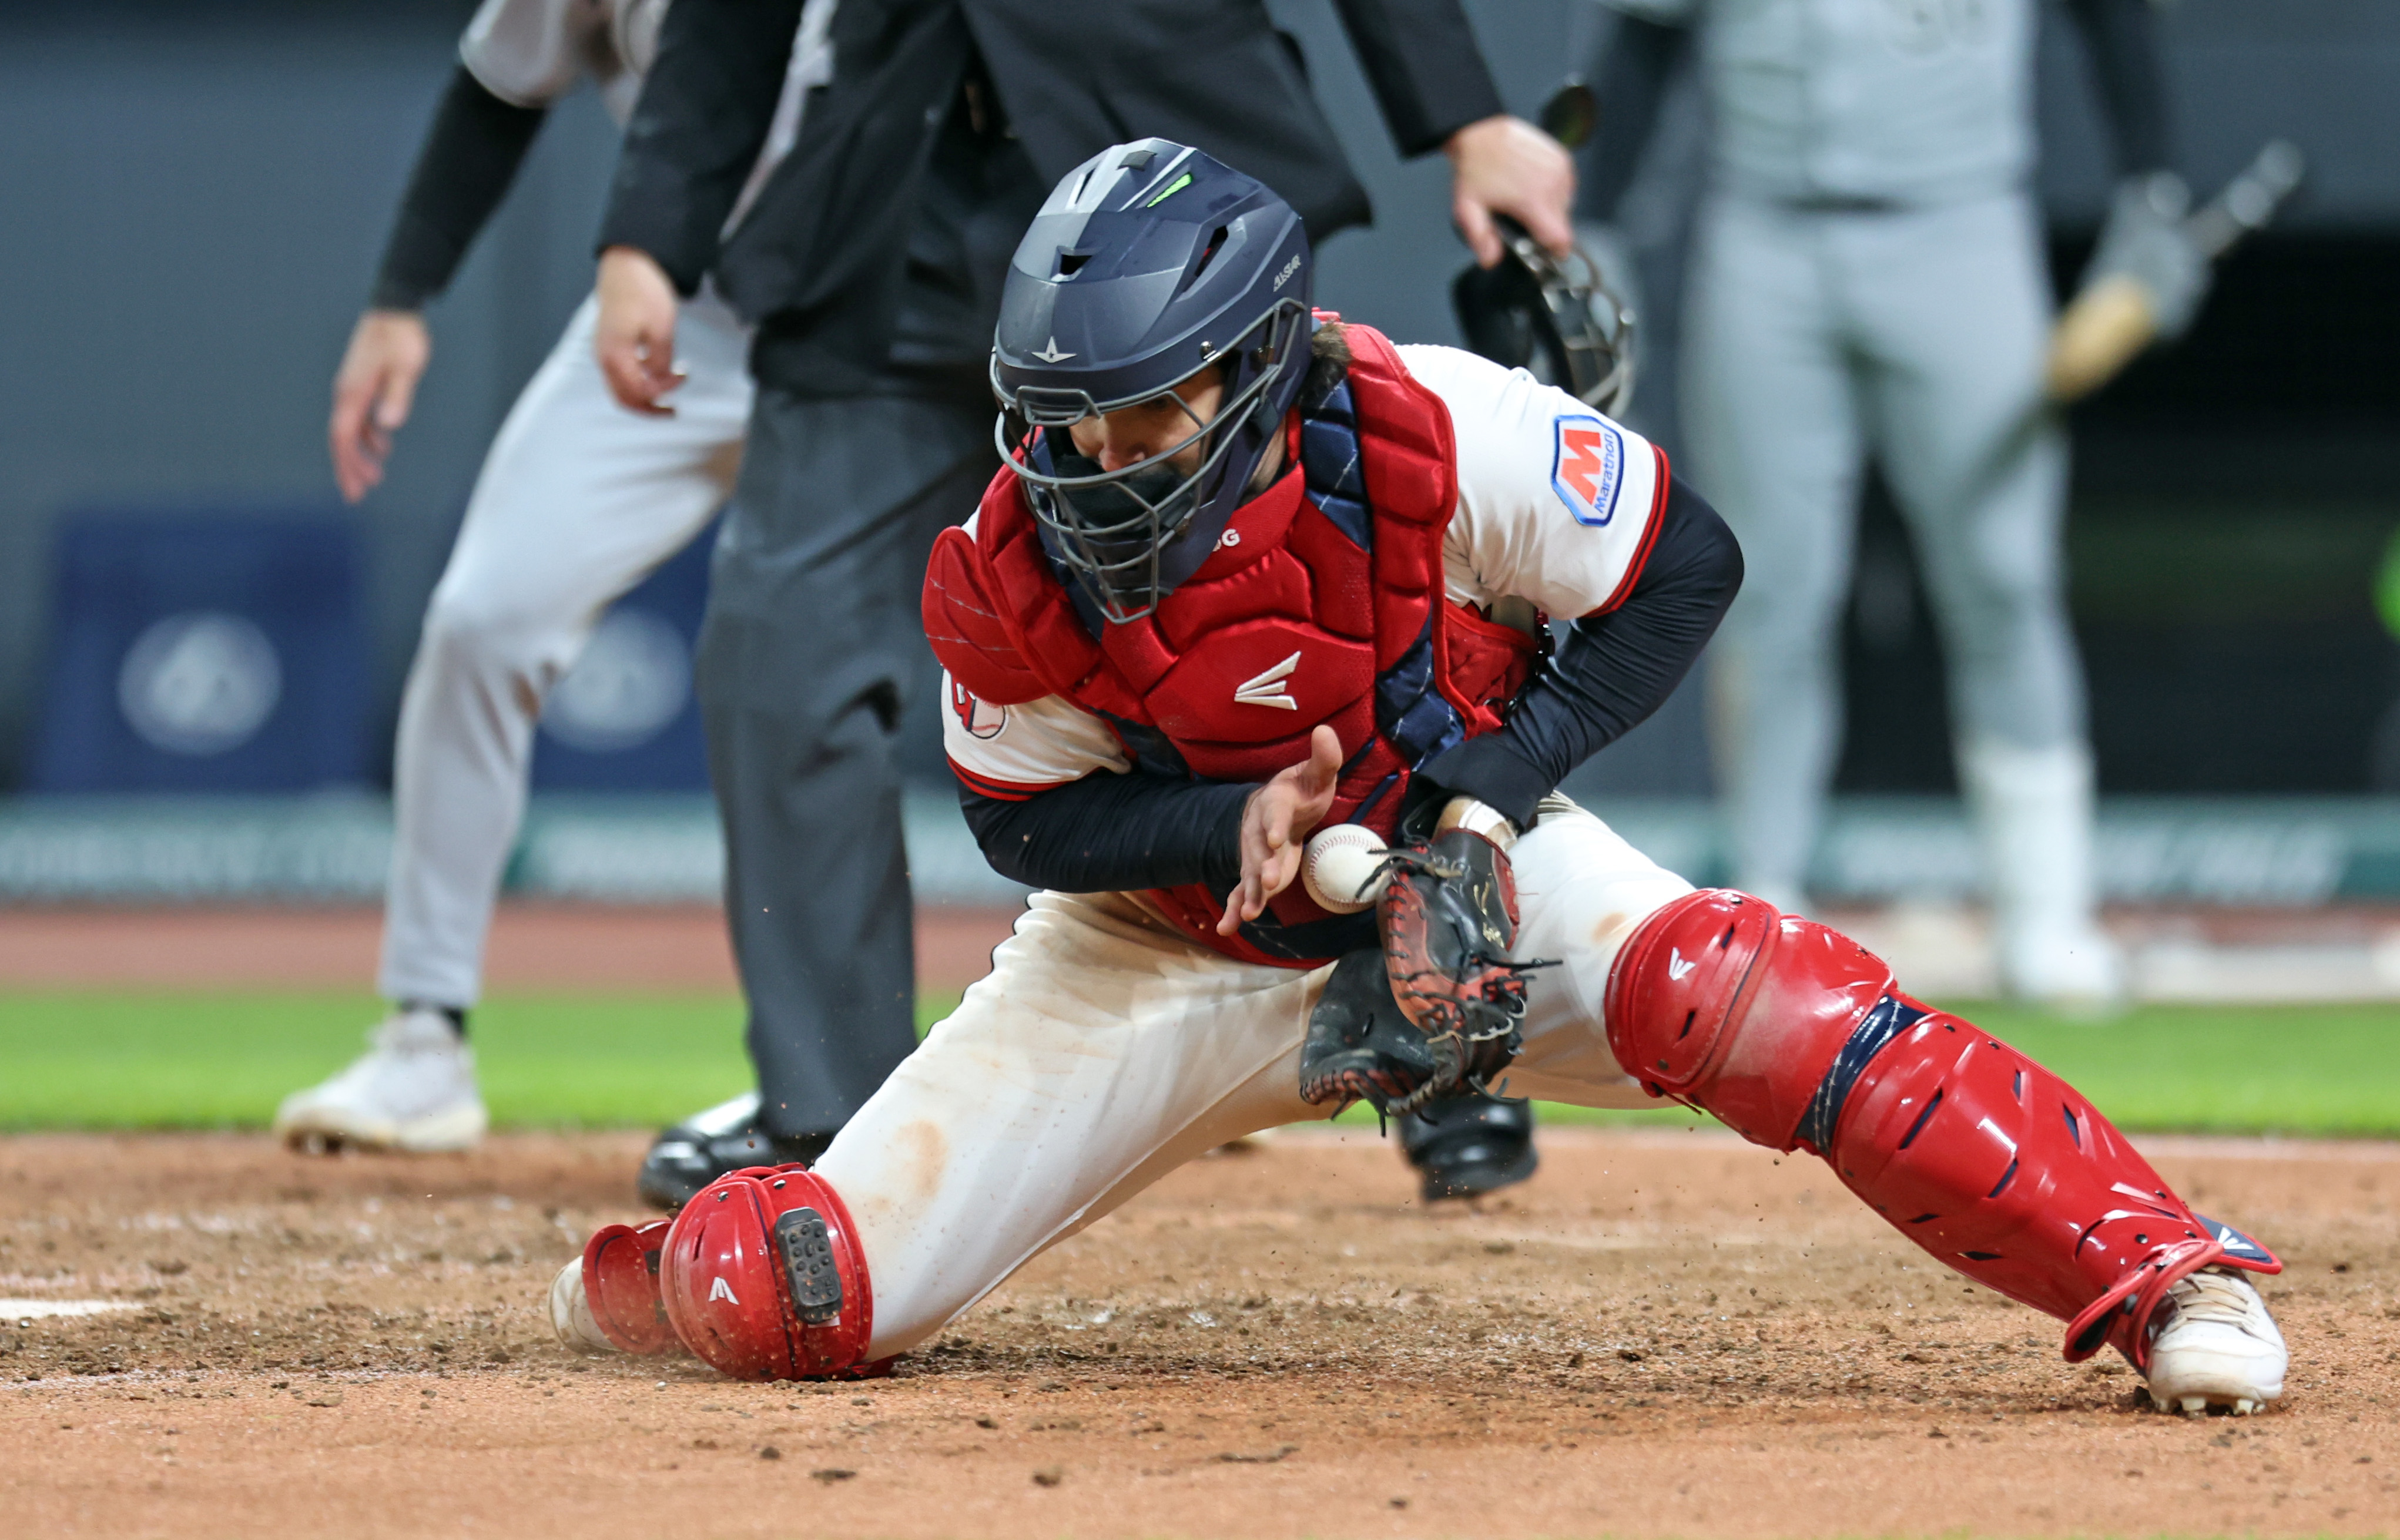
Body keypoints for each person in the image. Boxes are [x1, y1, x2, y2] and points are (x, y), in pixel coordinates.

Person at [547, 145, 2290, 1419]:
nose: (1088, 463)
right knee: (793, 1293)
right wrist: (1214, 827)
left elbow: (1685, 562)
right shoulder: (1007, 567)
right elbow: (1019, 818)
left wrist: (1481, 795)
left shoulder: (1430, 428)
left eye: (1139, 415)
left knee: (1742, 992)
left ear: (1248, 369)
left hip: (1455, 864)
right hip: (1152, 954)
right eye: (1060, 421)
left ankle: (2163, 1270)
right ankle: (628, 1273)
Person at [588, 0, 1583, 1205]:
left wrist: (1464, 115)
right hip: (887, 210)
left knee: (1308, 631)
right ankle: (827, 1107)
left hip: (1175, 194)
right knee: (776, 656)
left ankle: (1441, 1054)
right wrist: (650, 227)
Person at [274, 0, 837, 1187]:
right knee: (481, 621)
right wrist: (399, 298)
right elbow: (498, 86)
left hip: (883, 323)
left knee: (1052, 611)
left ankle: (1121, 1012)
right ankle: (422, 1040)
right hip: (675, 319)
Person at [1573, 0, 2208, 1005]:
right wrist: (1593, 223)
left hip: (1961, 227)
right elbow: (1644, 48)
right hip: (1764, 233)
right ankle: (1765, 904)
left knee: (2003, 576)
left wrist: (2155, 194)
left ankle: (2048, 913)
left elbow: (2116, 21)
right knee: (1770, 591)